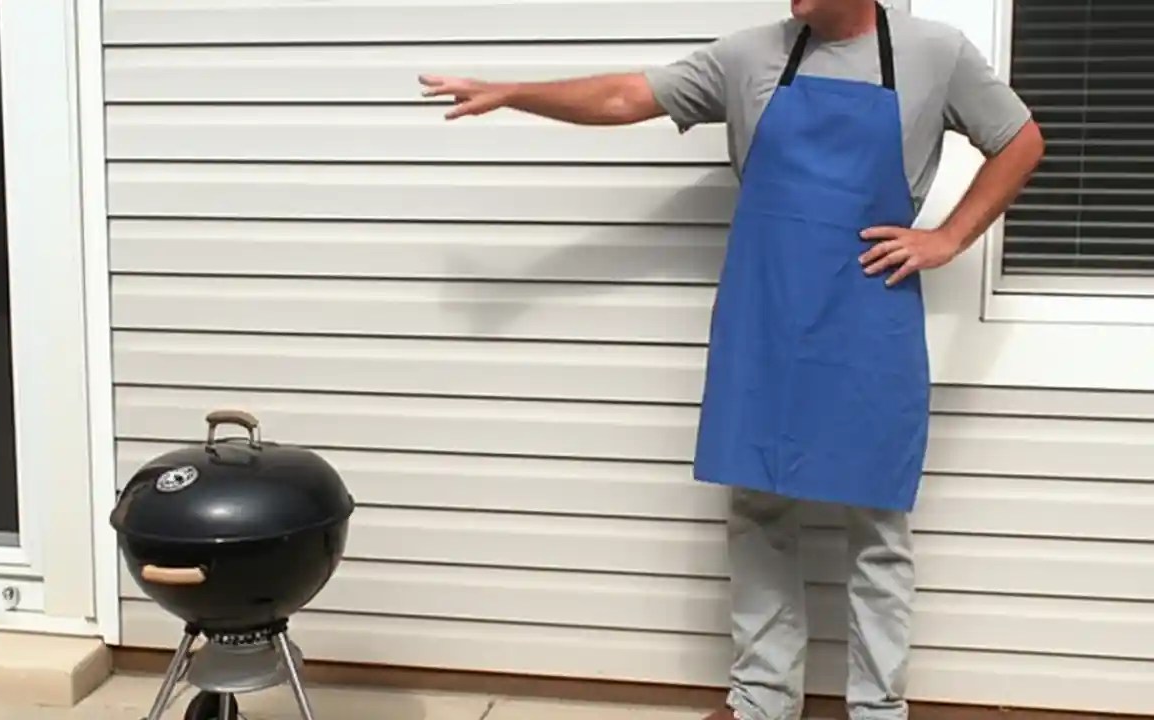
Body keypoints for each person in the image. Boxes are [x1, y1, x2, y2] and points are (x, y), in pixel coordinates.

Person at [419, 1, 1043, 718]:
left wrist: (948, 238)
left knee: (876, 522)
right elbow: (629, 95)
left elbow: (1020, 140)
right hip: (766, 311)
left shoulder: (937, 52)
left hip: (868, 314)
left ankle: (877, 709)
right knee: (757, 507)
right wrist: (515, 92)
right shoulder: (751, 56)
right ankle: (763, 699)